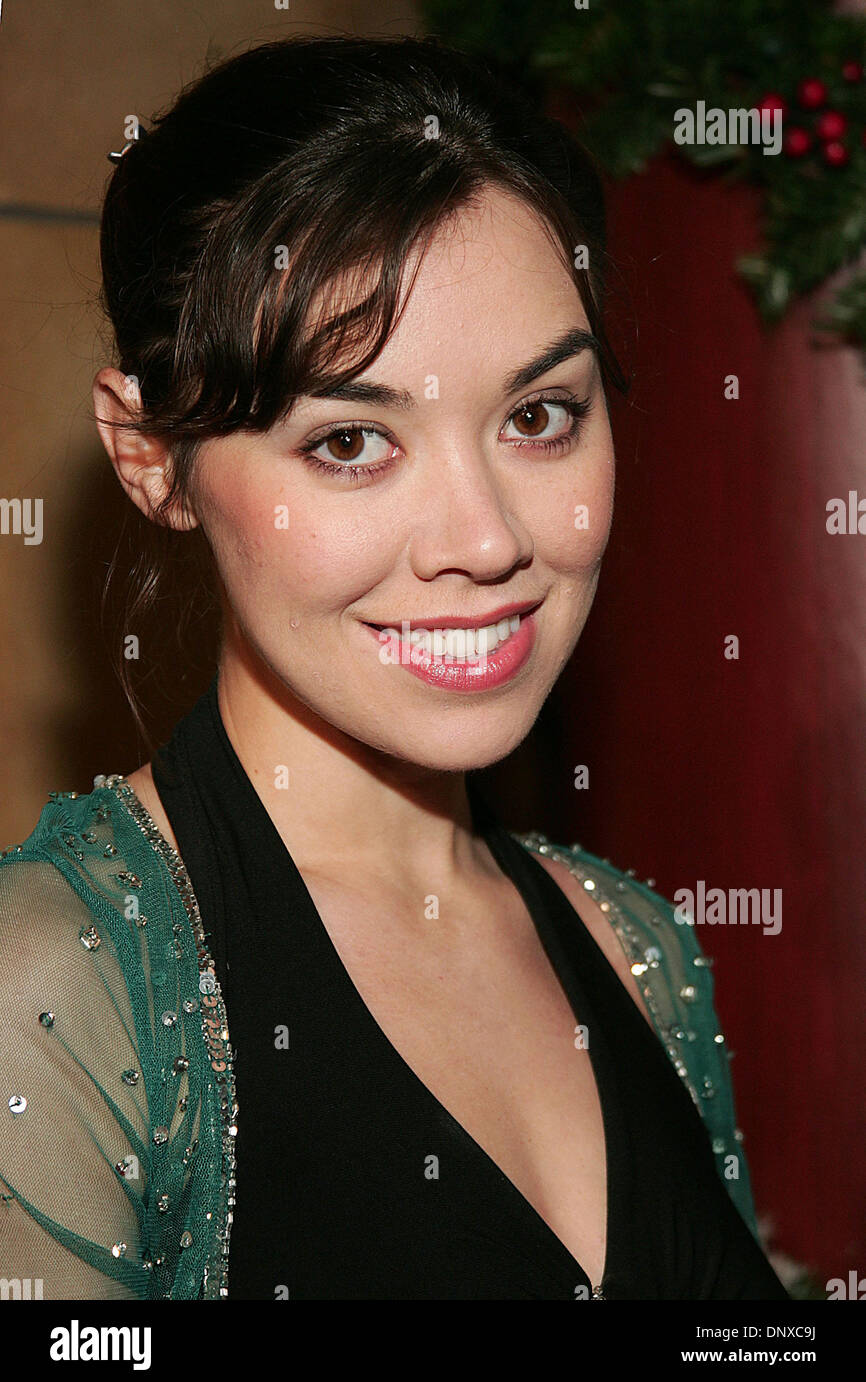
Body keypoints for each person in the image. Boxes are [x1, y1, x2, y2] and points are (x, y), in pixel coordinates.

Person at [0, 35, 789, 1301]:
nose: (486, 539)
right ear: (151, 457)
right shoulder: (61, 993)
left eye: (539, 417)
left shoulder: (637, 948)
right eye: (354, 440)